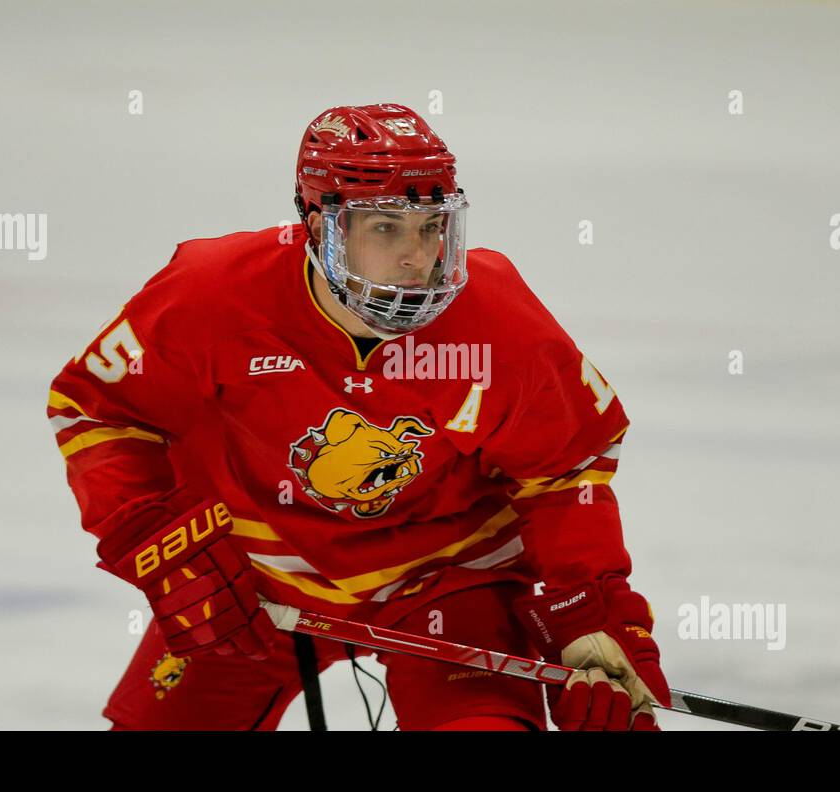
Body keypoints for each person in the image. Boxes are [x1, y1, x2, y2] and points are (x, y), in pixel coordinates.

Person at [45, 102, 671, 731]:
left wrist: (592, 615)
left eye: (433, 227)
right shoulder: (211, 293)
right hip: (251, 584)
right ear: (319, 224)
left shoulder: (499, 320)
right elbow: (100, 411)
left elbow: (565, 475)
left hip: (448, 581)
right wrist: (161, 545)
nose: (418, 259)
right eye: (385, 228)